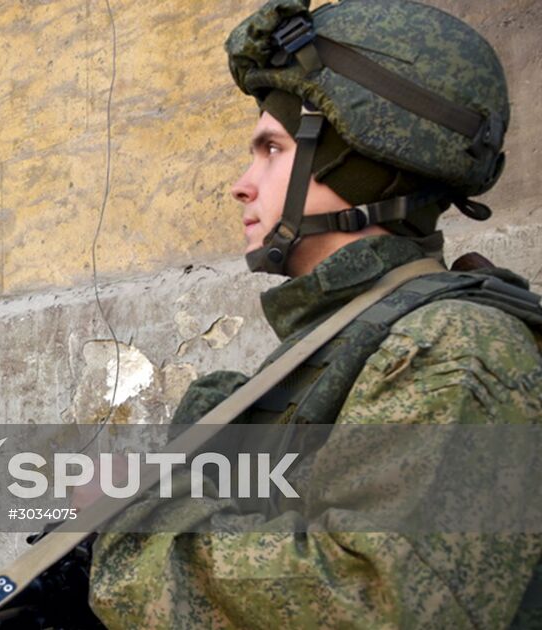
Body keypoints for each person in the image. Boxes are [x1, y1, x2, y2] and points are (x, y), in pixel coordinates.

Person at [89, 0, 542, 627]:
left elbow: (378, 599)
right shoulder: (348, 338)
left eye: (271, 150)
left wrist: (136, 526)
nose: (242, 185)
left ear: (361, 162)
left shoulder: (454, 345)